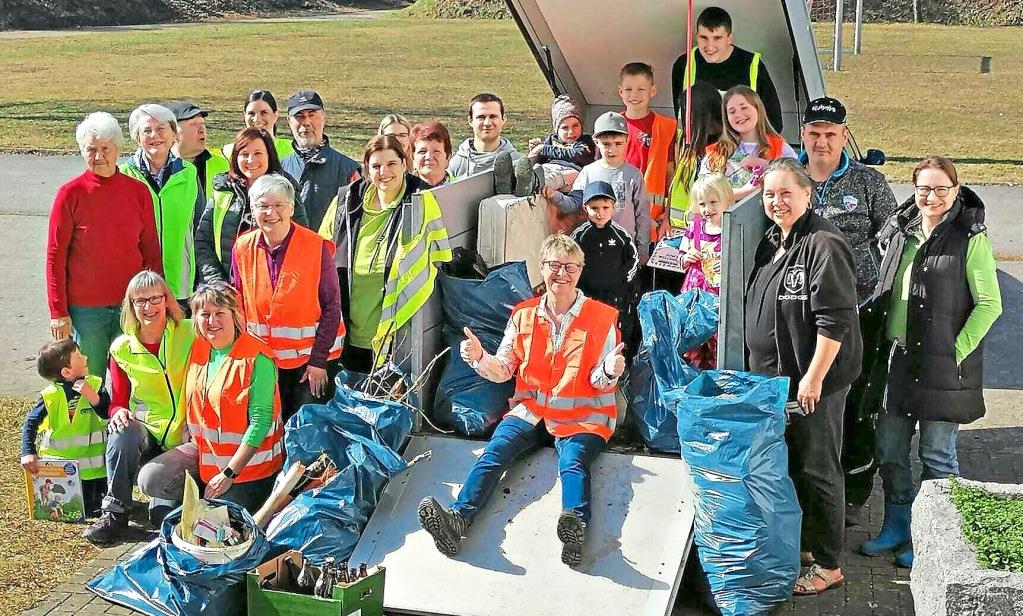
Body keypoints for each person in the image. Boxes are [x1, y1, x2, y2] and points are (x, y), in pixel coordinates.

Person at [417, 234, 627, 567]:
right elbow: (503, 371)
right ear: (542, 268)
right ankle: (457, 521)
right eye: (554, 266)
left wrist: (611, 370)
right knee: (494, 452)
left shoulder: (602, 318)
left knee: (573, 463)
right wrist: (478, 358)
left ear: (580, 270)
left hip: (583, 415)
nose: (562, 274)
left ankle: (574, 525)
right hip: (532, 411)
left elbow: (598, 381)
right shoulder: (523, 315)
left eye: (569, 267)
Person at [857, 157, 1002, 569]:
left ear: (956, 191)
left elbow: (990, 305)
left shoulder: (969, 238)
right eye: (924, 188)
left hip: (942, 366)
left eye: (941, 189)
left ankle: (935, 538)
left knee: (938, 457)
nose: (931, 197)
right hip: (895, 362)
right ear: (914, 189)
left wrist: (954, 353)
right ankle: (897, 525)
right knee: (889, 449)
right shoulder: (900, 233)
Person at [744, 158, 861, 596]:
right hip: (779, 383)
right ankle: (809, 545)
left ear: (807, 194)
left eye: (786, 193)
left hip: (815, 385)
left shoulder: (823, 244)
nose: (777, 202)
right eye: (770, 194)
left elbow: (835, 321)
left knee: (818, 467)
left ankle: (829, 563)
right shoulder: (775, 239)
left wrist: (813, 379)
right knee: (794, 465)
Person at [798, 96, 900, 524]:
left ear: (844, 135)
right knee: (807, 407)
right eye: (814, 134)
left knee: (857, 406)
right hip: (800, 315)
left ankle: (854, 496)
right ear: (803, 134)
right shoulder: (786, 177)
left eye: (830, 135)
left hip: (857, 313)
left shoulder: (868, 183)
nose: (822, 143)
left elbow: (895, 237)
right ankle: (808, 495)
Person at [137, 283, 284, 513]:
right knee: (150, 478)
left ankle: (202, 503)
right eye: (204, 314)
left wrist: (228, 474)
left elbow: (261, 422)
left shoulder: (257, 357)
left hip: (248, 469)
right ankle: (194, 500)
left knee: (216, 523)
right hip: (206, 457)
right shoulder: (200, 348)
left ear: (235, 316)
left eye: (219, 314)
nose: (212, 321)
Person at [47, 112, 164, 377]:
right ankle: (90, 420)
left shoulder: (137, 191)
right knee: (91, 378)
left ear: (117, 149)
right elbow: (56, 254)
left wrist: (157, 297)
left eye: (105, 149)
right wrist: (58, 311)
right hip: (87, 310)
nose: (99, 156)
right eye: (91, 150)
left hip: (131, 304)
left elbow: (150, 249)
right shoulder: (70, 194)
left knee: (134, 378)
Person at [83, 270, 196, 545]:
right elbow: (118, 400)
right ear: (130, 306)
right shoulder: (121, 348)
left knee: (162, 519)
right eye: (139, 301)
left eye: (155, 298)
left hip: (183, 438)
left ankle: (177, 498)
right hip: (147, 435)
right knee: (122, 430)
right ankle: (115, 513)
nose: (148, 307)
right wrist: (117, 411)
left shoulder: (190, 332)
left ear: (167, 300)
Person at [324, 136, 453, 372]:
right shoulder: (346, 199)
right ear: (366, 169)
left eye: (392, 164)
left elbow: (439, 256)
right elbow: (322, 253)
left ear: (405, 164)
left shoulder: (421, 200)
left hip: (398, 336)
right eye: (376, 166)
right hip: (345, 332)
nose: (384, 172)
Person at [231, 174, 346, 420]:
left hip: (310, 363)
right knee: (269, 425)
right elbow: (237, 302)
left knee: (304, 427)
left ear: (292, 208)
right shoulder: (242, 247)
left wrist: (318, 361)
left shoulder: (316, 247)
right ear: (252, 209)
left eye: (278, 205)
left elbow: (332, 307)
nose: (270, 213)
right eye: (262, 206)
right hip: (264, 362)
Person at [196, 128, 308, 284]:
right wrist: (217, 283)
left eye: (258, 154)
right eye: (244, 154)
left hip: (271, 287)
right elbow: (203, 241)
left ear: (269, 155)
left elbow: (301, 240)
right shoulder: (224, 190)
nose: (251, 160)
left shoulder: (286, 189)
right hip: (228, 291)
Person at [120, 103, 205, 304]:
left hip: (181, 284)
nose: (154, 136)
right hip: (139, 287)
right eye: (146, 131)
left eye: (161, 129)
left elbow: (200, 228)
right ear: (137, 138)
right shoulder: (124, 175)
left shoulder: (189, 173)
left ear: (174, 134)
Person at [21, 340, 110, 516]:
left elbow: (107, 413)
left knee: (97, 509)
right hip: (59, 471)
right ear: (67, 371)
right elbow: (30, 423)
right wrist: (27, 452)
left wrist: (93, 397)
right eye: (78, 356)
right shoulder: (50, 396)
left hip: (96, 471)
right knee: (67, 507)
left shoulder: (96, 384)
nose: (85, 357)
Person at [552, 112, 651, 261]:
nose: (612, 149)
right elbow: (574, 204)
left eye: (618, 143)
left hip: (624, 248)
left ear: (627, 140)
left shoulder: (634, 175)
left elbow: (642, 213)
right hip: (592, 247)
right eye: (606, 144)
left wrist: (642, 249)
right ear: (596, 142)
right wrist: (554, 196)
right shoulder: (588, 173)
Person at [671, 6, 784, 131]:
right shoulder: (683, 65)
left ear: (730, 38)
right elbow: (680, 117)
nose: (710, 46)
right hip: (696, 149)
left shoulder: (753, 65)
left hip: (742, 149)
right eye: (704, 38)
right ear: (697, 37)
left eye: (717, 38)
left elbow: (774, 124)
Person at [571, 181, 639, 354]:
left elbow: (633, 260)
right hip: (586, 294)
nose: (600, 213)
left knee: (613, 329)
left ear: (613, 207)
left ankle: (615, 363)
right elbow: (570, 258)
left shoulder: (621, 235)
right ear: (586, 208)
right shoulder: (580, 235)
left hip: (614, 296)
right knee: (586, 329)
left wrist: (621, 281)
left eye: (605, 208)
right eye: (595, 208)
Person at [281, 90, 362, 232]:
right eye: (299, 116)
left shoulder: (348, 169)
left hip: (329, 251)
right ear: (289, 121)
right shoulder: (280, 169)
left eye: (311, 115)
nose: (306, 122)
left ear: (323, 117)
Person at [700, 86, 796, 201]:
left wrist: (766, 165)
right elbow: (703, 192)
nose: (739, 114)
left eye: (744, 108)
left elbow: (799, 180)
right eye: (732, 111)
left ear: (758, 109)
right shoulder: (716, 152)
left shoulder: (779, 146)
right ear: (726, 118)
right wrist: (745, 191)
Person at [679, 173, 733, 369]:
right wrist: (686, 257)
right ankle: (694, 372)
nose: (707, 209)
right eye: (702, 204)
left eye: (713, 202)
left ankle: (716, 374)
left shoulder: (732, 227)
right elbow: (680, 257)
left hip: (719, 294)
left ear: (726, 199)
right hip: (695, 293)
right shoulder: (695, 226)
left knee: (717, 340)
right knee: (694, 338)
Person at [619, 62, 677, 241]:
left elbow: (671, 177)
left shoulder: (667, 127)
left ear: (652, 91)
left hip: (653, 222)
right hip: (618, 219)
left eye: (641, 89)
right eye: (628, 89)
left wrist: (668, 216)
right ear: (620, 91)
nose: (634, 95)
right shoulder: (612, 124)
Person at [509, 95, 596, 197]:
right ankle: (510, 179)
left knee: (555, 177)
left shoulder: (585, 141)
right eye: (565, 128)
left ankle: (531, 185)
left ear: (582, 125)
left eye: (575, 125)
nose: (571, 132)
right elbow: (542, 156)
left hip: (572, 174)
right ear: (557, 129)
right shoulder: (552, 139)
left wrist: (544, 149)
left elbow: (576, 154)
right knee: (536, 167)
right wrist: (535, 150)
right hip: (547, 168)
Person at [666, 81, 723, 233]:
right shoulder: (683, 141)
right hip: (677, 230)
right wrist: (666, 218)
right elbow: (674, 183)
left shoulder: (725, 148)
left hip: (707, 233)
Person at [447, 92, 522, 182]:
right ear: (470, 120)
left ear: (503, 119)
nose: (487, 123)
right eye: (481, 117)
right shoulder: (456, 164)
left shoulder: (516, 162)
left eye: (493, 116)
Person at [167, 100, 229, 205]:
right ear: (173, 132)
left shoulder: (224, 164)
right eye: (193, 124)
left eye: (202, 124)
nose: (202, 129)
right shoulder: (158, 168)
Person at [223, 89, 295, 162]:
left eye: (264, 113)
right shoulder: (228, 153)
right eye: (251, 113)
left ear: (275, 115)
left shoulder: (293, 150)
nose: (257, 119)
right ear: (244, 115)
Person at [410, 121, 454, 188]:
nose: (429, 157)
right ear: (413, 157)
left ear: (448, 157)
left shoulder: (461, 190)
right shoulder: (401, 191)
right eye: (422, 151)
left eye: (436, 151)